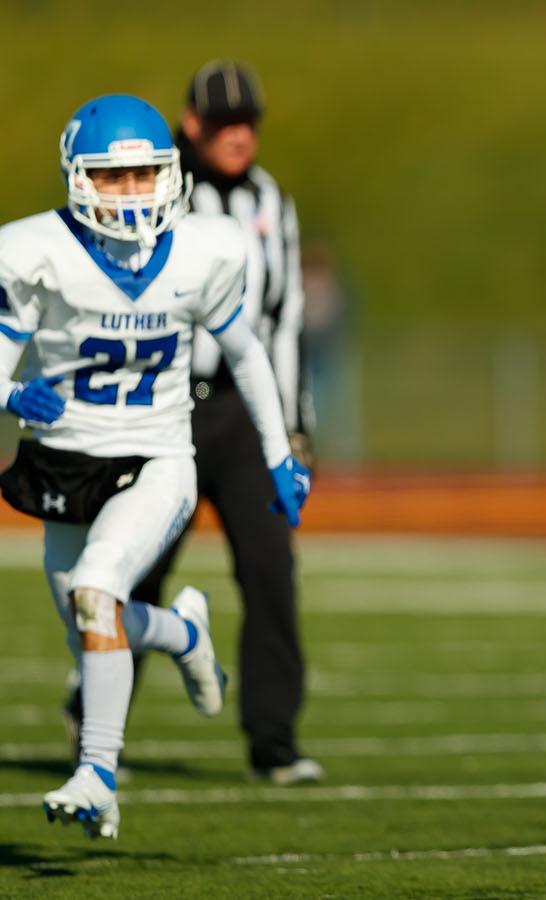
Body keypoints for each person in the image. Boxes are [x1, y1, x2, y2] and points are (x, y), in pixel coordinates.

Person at [0, 94, 309, 839]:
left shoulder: (207, 248)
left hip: (158, 457)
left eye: (145, 176)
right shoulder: (33, 251)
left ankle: (97, 772)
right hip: (67, 458)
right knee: (90, 627)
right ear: (78, 179)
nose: (132, 193)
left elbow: (247, 350)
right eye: (112, 177)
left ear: (170, 174)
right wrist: (13, 394)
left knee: (99, 591)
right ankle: (182, 634)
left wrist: (278, 453)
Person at [62, 60, 321, 786]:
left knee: (271, 568)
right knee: (135, 563)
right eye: (224, 121)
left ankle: (274, 740)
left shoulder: (273, 201)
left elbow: (286, 318)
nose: (240, 135)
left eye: (250, 122)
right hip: (166, 403)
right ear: (192, 123)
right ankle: (94, 715)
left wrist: (294, 427)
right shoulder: (158, 193)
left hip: (244, 413)